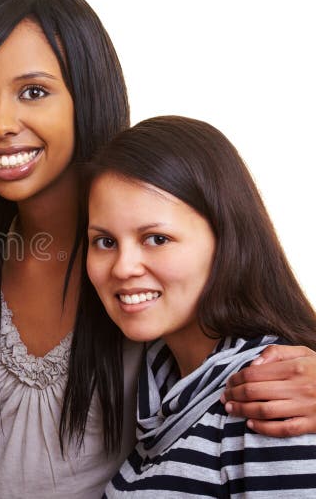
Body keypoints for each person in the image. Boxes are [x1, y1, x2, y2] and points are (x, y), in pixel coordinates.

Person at [0, 0, 316, 498]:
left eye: (34, 91)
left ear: (86, 96)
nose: (1, 123)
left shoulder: (149, 275)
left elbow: (253, 318)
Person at [85, 115, 316, 495]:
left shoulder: (271, 398)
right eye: (105, 241)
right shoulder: (162, 398)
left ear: (226, 240)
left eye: (156, 238)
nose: (123, 267)